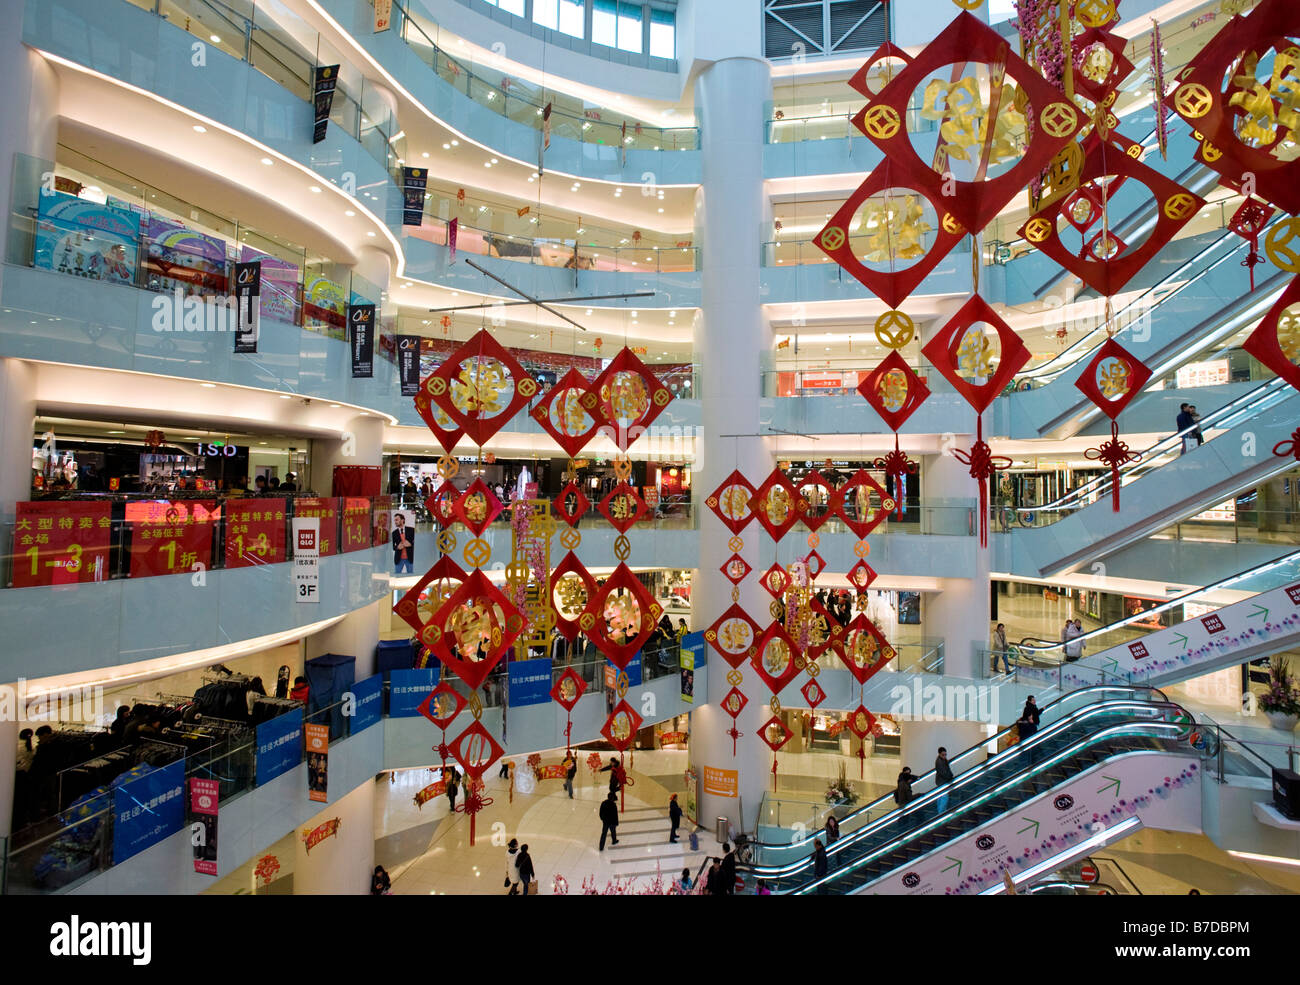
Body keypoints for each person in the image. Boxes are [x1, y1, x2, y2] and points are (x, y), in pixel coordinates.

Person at [935, 746, 954, 813]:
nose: (944, 756)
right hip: (942, 782)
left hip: (941, 782)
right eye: (943, 755)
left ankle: (941, 813)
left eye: (945, 755)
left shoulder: (943, 760)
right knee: (944, 798)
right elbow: (943, 772)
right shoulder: (939, 762)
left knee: (941, 797)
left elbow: (947, 770)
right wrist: (950, 777)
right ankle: (941, 813)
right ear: (939, 754)